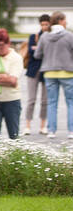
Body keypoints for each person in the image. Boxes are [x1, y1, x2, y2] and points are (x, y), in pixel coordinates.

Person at [36, 10, 73, 138]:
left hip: (49, 73)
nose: (66, 22)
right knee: (71, 103)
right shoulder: (69, 36)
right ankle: (71, 131)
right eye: (65, 20)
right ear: (60, 21)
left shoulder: (44, 36)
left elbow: (37, 55)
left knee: (52, 103)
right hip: (67, 73)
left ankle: (51, 131)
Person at [21, 15, 52, 135]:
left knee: (45, 100)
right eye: (42, 24)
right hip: (33, 70)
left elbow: (44, 51)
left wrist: (37, 48)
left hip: (47, 71)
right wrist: (38, 49)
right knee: (31, 99)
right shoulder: (34, 36)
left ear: (50, 24)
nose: (44, 27)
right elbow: (32, 51)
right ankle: (27, 125)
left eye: (46, 24)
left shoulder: (50, 37)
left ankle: (42, 126)